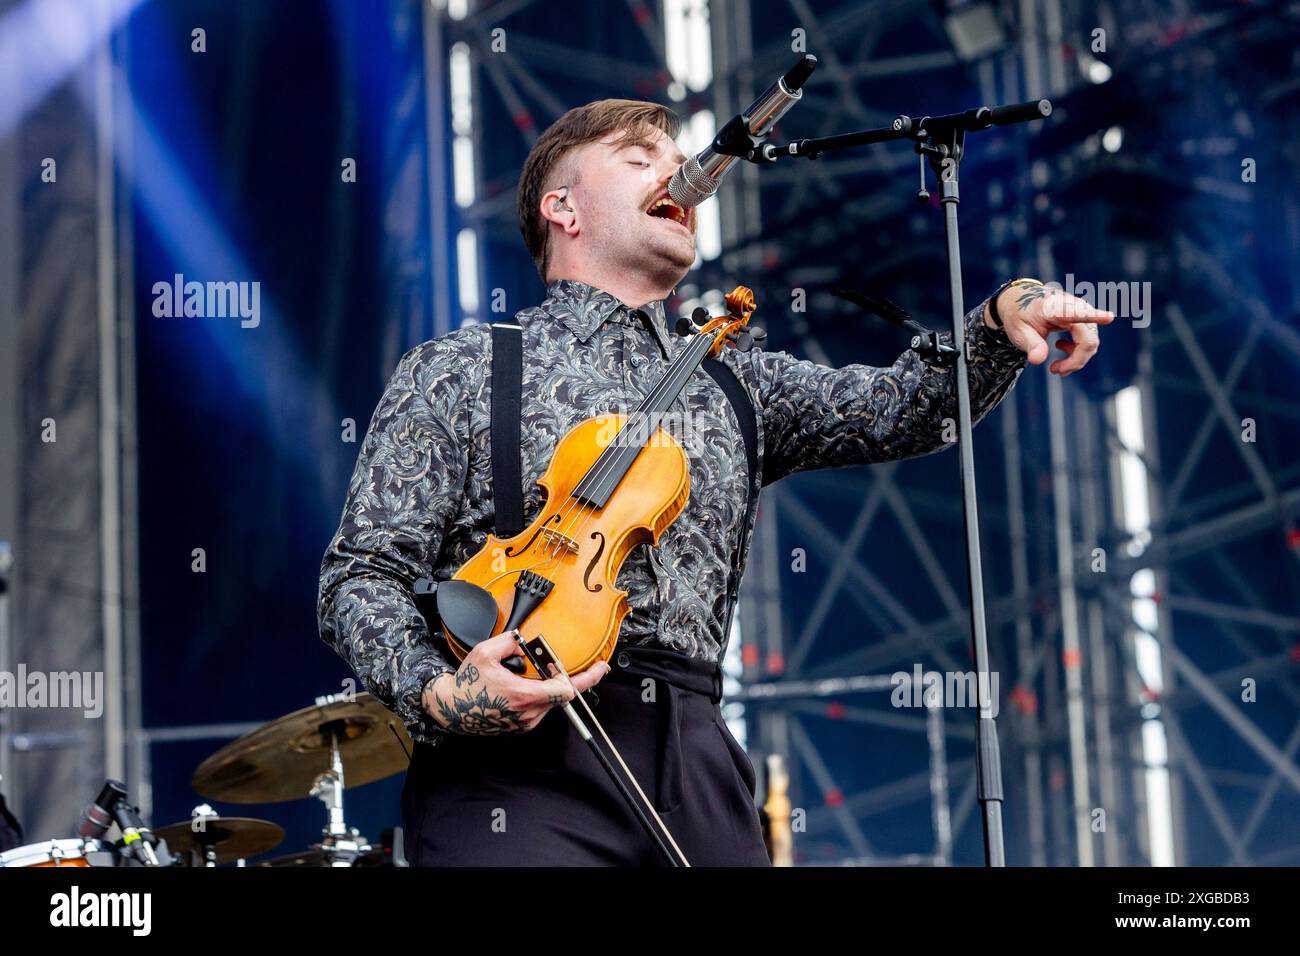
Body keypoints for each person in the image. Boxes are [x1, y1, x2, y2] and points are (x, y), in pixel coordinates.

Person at [317, 99, 1112, 866]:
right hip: (512, 765)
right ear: (563, 208)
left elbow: (903, 409)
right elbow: (361, 575)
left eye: (680, 161)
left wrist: (1005, 313)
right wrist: (440, 693)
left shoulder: (737, 379)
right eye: (640, 160)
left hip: (693, 755)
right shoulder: (463, 366)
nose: (682, 176)